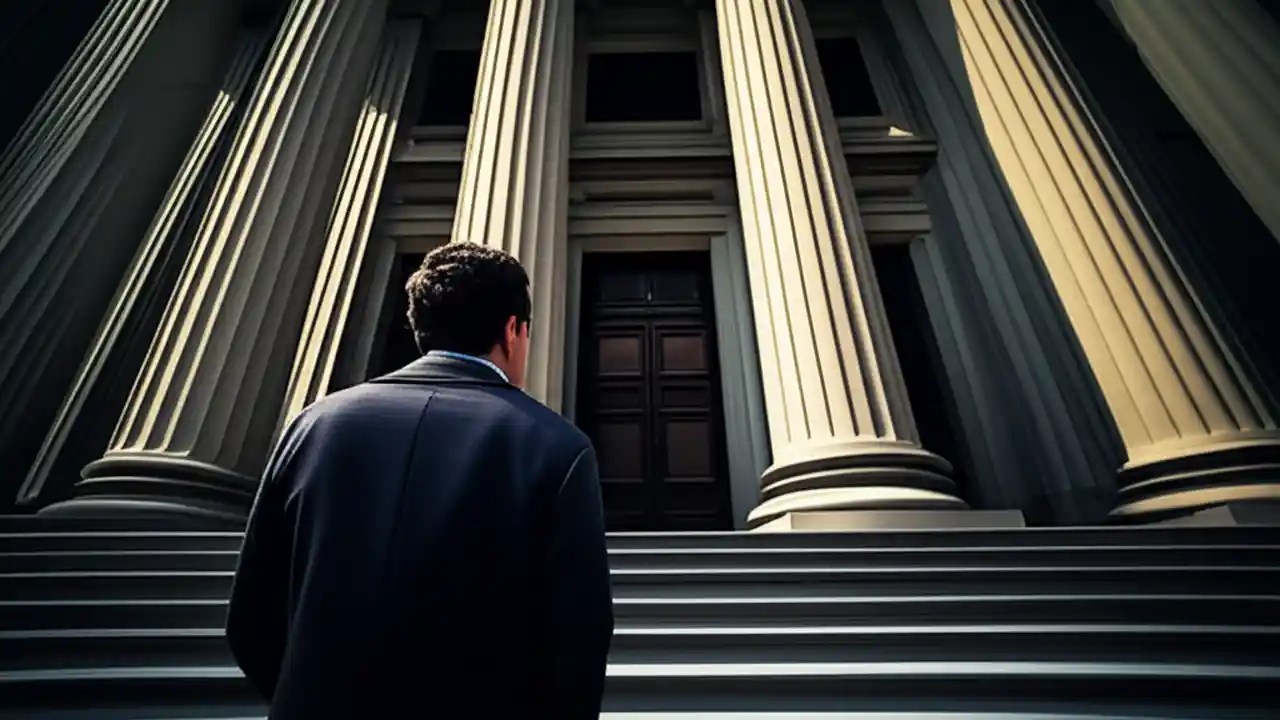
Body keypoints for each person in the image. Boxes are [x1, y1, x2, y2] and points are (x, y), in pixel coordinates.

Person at [225, 242, 615, 719]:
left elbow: (250, 617)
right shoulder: (557, 445)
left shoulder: (314, 426)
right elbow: (579, 641)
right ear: (513, 331)